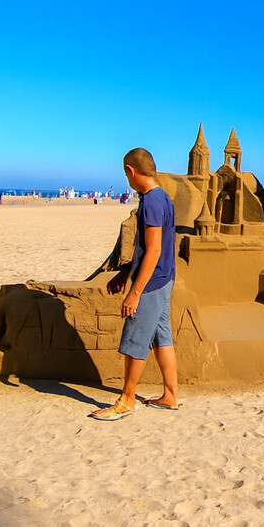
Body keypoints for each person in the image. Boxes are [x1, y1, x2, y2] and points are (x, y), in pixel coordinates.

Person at [90, 147, 182, 420]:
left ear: (130, 171)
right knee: (161, 337)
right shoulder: (162, 198)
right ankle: (171, 395)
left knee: (136, 338)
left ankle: (126, 400)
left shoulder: (152, 202)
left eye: (125, 174)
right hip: (164, 279)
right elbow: (149, 248)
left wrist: (135, 292)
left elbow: (153, 250)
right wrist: (125, 273)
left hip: (152, 283)